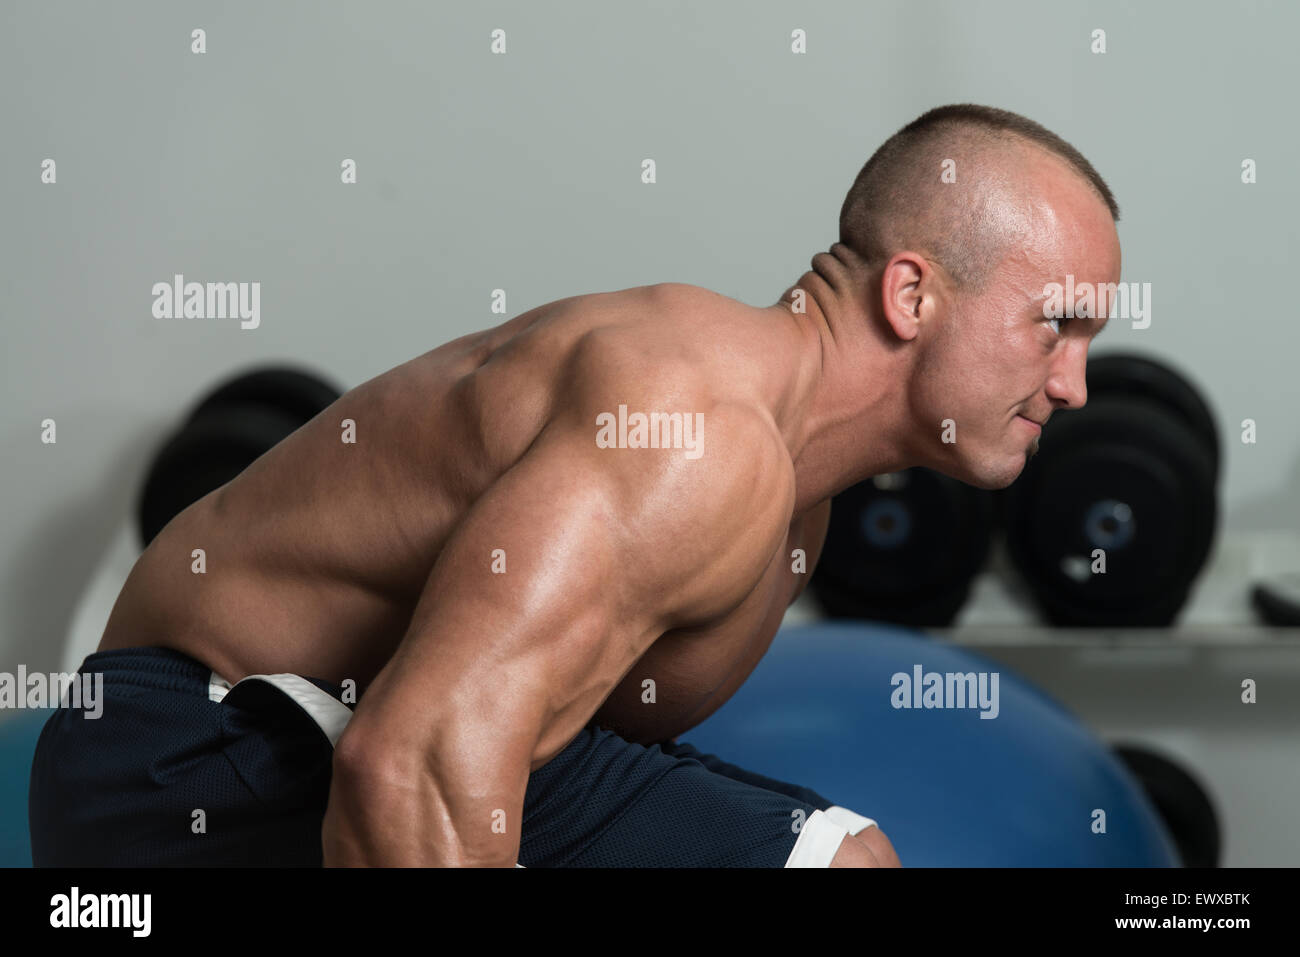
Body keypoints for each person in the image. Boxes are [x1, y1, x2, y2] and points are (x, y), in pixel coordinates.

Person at [30, 103, 1119, 868]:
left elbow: (547, 765)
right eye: (1053, 326)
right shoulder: (693, 435)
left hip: (338, 739)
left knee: (838, 859)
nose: (1073, 384)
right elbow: (410, 772)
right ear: (913, 294)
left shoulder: (793, 507)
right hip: (194, 752)